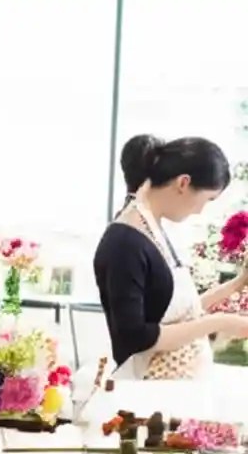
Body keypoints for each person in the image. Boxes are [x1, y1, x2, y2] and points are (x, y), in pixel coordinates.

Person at [95, 134, 248, 380]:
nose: (200, 210)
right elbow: (134, 335)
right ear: (183, 183)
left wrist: (239, 282)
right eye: (207, 199)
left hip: (175, 387)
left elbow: (180, 313)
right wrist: (220, 322)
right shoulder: (125, 242)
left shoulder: (152, 229)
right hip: (148, 391)